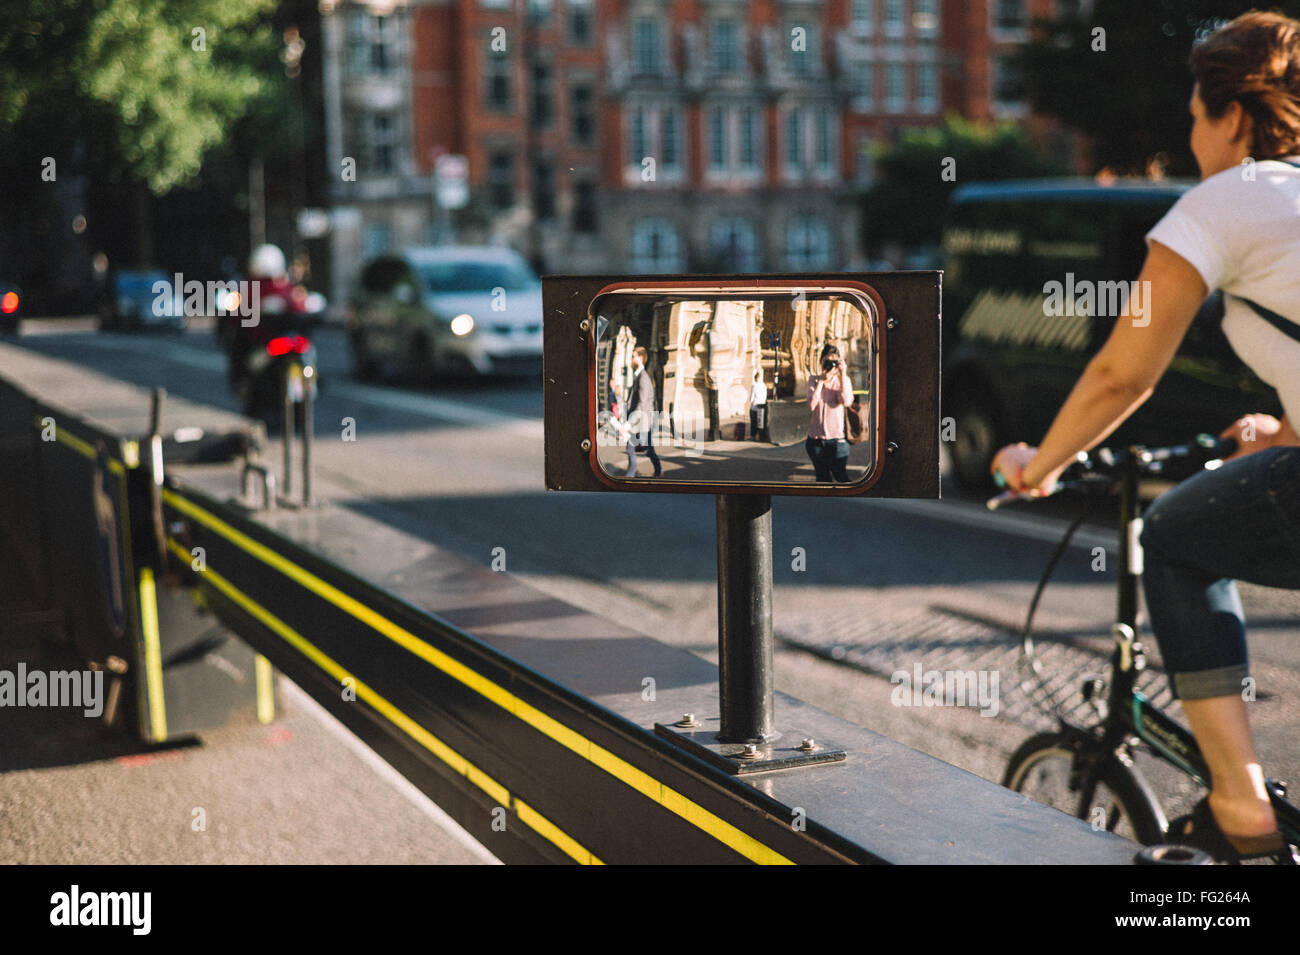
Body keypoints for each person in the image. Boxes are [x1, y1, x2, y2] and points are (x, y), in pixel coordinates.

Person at [990, 11, 1300, 861]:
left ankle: (1240, 806)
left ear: (1234, 116)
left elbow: (1122, 373)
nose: (1191, 137)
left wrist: (1036, 465)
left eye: (1196, 117)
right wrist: (1282, 429)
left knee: (1173, 536)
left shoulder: (1230, 198)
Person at [805, 344, 854, 482]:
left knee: (841, 477)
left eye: (834, 360)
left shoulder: (843, 381)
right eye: (828, 360)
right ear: (821, 361)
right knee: (822, 478)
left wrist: (843, 375)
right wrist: (821, 382)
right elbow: (811, 405)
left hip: (837, 441)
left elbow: (846, 401)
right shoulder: (813, 380)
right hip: (815, 441)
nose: (831, 364)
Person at [621, 346, 662, 478]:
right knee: (635, 447)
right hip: (640, 421)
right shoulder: (638, 376)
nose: (632, 359)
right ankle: (634, 472)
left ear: (641, 358)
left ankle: (634, 473)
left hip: (642, 421)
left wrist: (629, 423)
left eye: (634, 356)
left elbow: (642, 404)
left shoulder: (643, 377)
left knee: (645, 449)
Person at [749, 372, 768, 441]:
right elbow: (765, 397)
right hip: (762, 406)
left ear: (756, 378)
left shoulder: (754, 386)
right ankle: (760, 436)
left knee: (753, 422)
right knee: (760, 422)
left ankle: (753, 436)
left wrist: (750, 402)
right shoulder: (764, 386)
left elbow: (751, 398)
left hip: (754, 406)